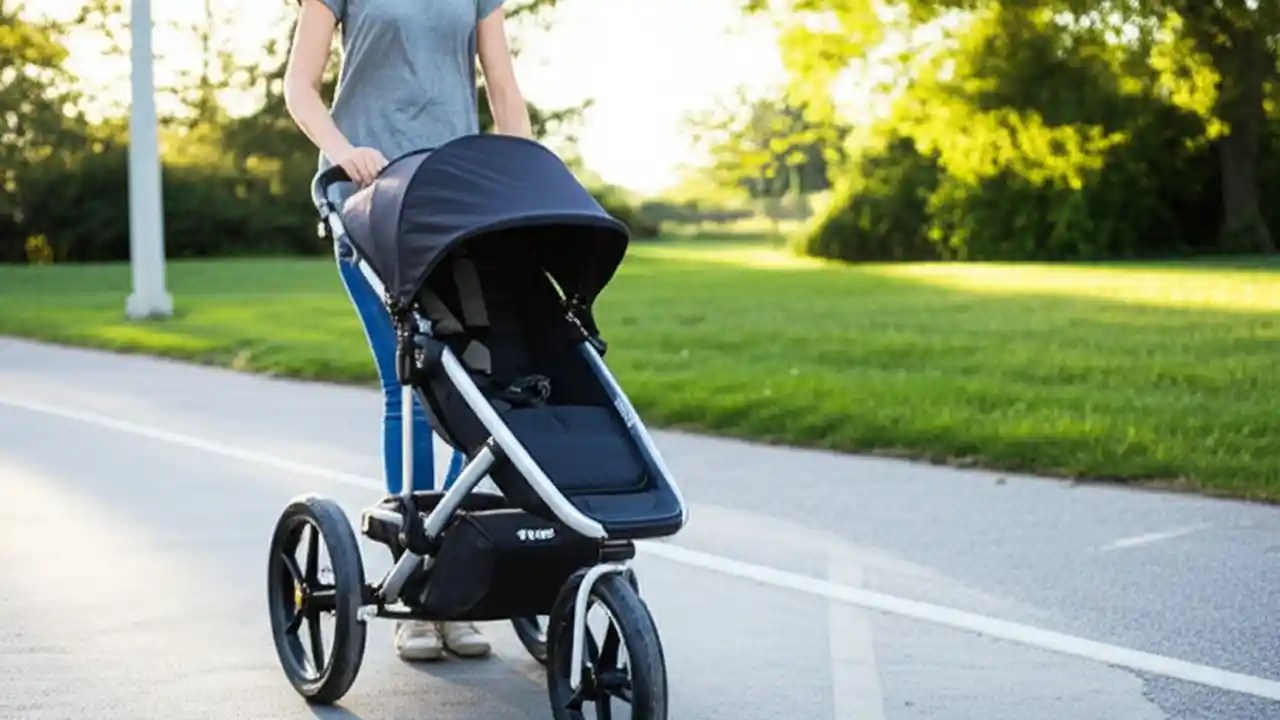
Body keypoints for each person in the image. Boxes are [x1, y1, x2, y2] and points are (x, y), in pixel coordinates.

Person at [283, 0, 533, 661]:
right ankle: (416, 582)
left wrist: (524, 177)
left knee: (474, 383)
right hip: (369, 202)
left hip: (456, 202)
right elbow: (299, 87)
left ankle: (458, 580)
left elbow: (502, 86)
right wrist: (342, 153)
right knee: (412, 385)